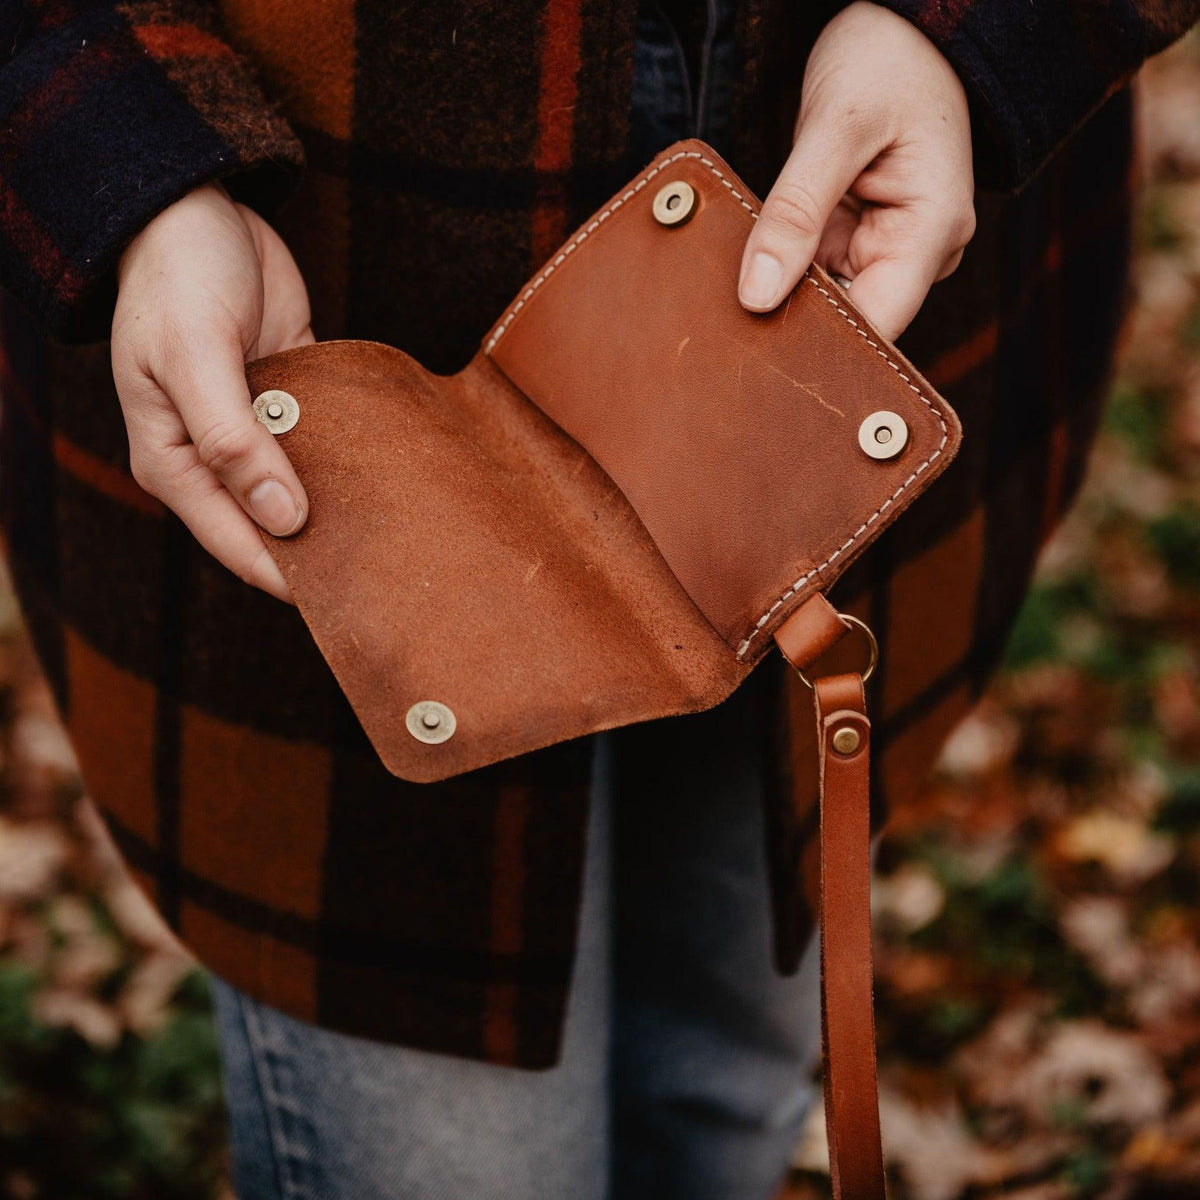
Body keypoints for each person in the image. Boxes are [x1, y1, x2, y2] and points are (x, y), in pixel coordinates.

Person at [0, 1, 1197, 1197]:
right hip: (309, 276)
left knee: (723, 1085)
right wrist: (131, 161)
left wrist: (974, 37)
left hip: (839, 278)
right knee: (446, 1165)